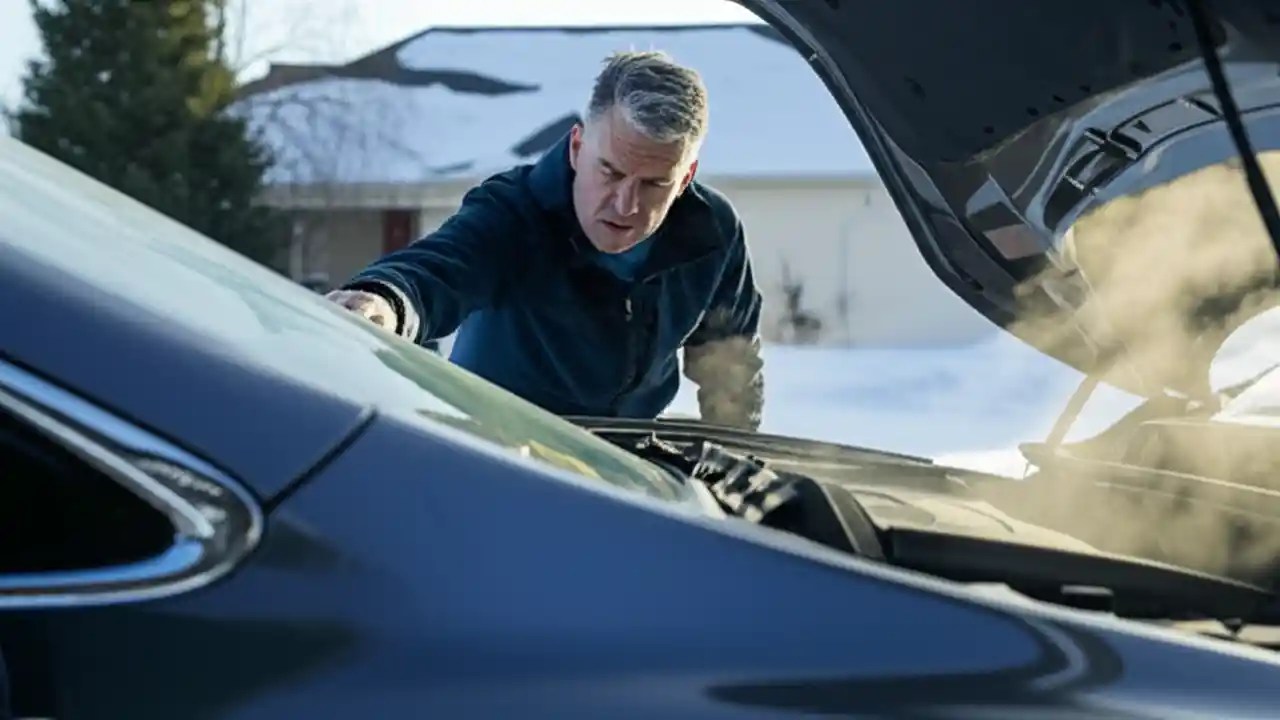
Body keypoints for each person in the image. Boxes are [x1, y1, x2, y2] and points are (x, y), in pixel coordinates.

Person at [327, 50, 765, 429]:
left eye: (654, 184)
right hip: (499, 455)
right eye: (610, 172)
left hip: (631, 470)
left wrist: (739, 466)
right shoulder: (514, 212)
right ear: (577, 147)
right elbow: (436, 271)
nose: (626, 204)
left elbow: (731, 367)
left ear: (686, 177)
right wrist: (383, 301)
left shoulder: (712, 235)